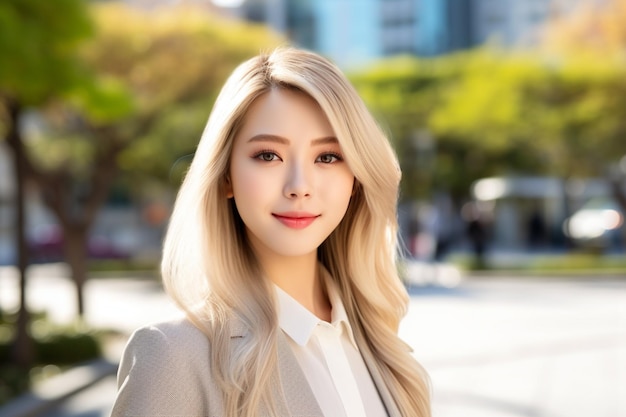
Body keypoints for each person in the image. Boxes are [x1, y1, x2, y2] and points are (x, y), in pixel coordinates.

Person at [110, 47, 431, 417]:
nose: (299, 186)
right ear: (226, 174)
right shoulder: (174, 356)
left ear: (356, 179)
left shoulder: (383, 351)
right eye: (268, 155)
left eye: (327, 157)